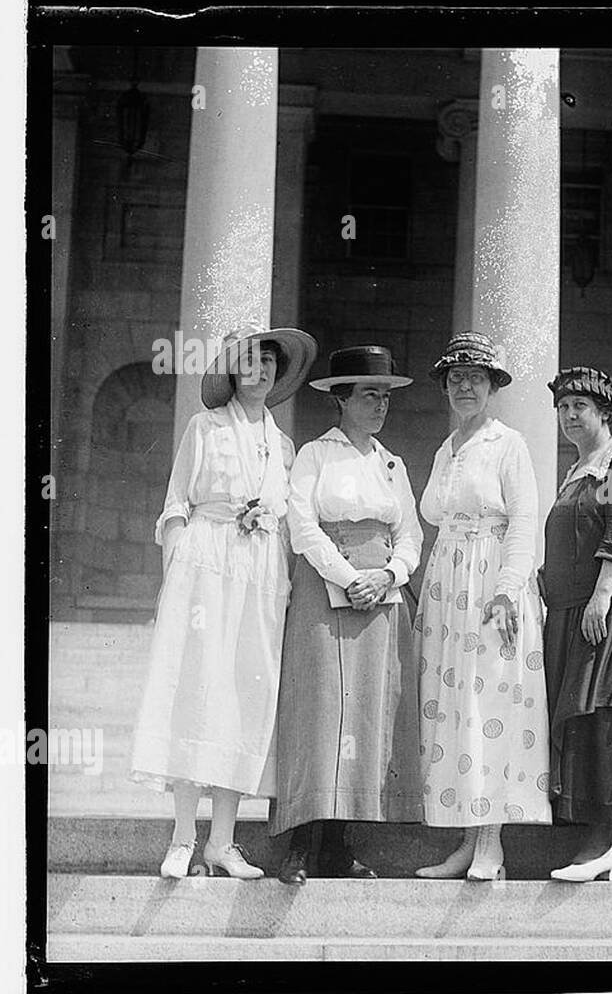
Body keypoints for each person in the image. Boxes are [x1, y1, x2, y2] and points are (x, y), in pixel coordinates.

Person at [131, 323, 317, 879]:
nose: (257, 373)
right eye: (247, 363)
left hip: (258, 573)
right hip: (206, 565)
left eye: (267, 364)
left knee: (244, 692)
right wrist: (179, 573)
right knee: (197, 686)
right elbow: (175, 504)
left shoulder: (282, 446)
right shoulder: (204, 428)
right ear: (231, 371)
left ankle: (222, 842)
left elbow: (287, 520)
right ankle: (183, 837)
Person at [271, 345, 425, 884]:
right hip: (327, 588)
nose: (380, 405)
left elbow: (411, 534)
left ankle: (339, 846)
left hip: (379, 597)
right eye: (369, 395)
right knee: (319, 714)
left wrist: (389, 575)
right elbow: (302, 525)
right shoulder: (315, 455)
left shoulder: (391, 464)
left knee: (364, 717)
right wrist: (347, 576)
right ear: (341, 399)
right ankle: (299, 845)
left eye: (385, 396)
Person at [414, 332, 551, 882]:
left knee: (492, 705)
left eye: (475, 377)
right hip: (449, 584)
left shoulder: (507, 443)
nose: (465, 386)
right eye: (455, 378)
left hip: (491, 581)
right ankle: (467, 841)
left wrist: (507, 589)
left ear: (493, 386)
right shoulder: (447, 449)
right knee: (456, 709)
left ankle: (491, 843)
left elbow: (522, 520)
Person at [542, 367, 612, 882]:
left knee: (603, 715)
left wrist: (601, 597)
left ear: (604, 412)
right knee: (579, 718)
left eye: (579, 407)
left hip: (604, 609)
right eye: (563, 407)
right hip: (567, 610)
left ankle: (605, 842)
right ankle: (597, 840)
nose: (569, 416)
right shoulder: (576, 470)